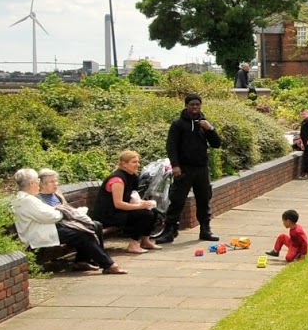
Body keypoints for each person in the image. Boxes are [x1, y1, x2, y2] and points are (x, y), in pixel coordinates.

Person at [11, 168, 122, 274]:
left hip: (47, 229)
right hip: (40, 234)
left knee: (85, 229)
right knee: (82, 233)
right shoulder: (26, 200)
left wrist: (59, 211)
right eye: (38, 181)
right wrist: (63, 211)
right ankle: (108, 265)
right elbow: (51, 216)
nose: (39, 183)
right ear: (31, 183)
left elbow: (50, 213)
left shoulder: (28, 198)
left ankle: (97, 263)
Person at [153, 96, 224, 244]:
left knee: (204, 200)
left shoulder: (204, 124)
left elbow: (216, 144)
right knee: (177, 200)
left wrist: (210, 129)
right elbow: (171, 146)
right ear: (186, 106)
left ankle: (205, 229)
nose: (195, 107)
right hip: (184, 168)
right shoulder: (178, 124)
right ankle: (170, 231)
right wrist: (175, 165)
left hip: (201, 168)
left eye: (197, 104)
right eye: (192, 104)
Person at [92, 149, 162, 253]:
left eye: (138, 162)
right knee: (145, 214)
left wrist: (144, 203)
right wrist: (140, 206)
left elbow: (132, 197)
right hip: (109, 214)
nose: (137, 165)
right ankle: (133, 244)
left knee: (153, 211)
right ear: (124, 164)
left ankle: (145, 241)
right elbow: (118, 204)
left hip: (121, 210)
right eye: (134, 162)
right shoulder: (117, 179)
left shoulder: (132, 177)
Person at [296, 109, 308, 178]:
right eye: (301, 114)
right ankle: (307, 172)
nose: (303, 115)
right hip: (305, 142)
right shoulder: (303, 122)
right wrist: (301, 142)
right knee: (306, 157)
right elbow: (302, 133)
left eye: (304, 114)